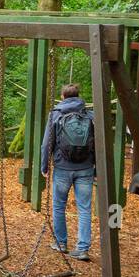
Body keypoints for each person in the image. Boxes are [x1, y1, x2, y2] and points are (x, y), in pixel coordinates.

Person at [40, 82, 95, 261]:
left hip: (62, 167)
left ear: (62, 97)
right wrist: (97, 170)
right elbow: (97, 144)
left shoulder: (55, 114)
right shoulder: (90, 115)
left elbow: (46, 144)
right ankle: (82, 248)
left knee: (58, 205)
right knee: (84, 208)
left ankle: (61, 243)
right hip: (86, 168)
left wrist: (44, 167)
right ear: (78, 97)